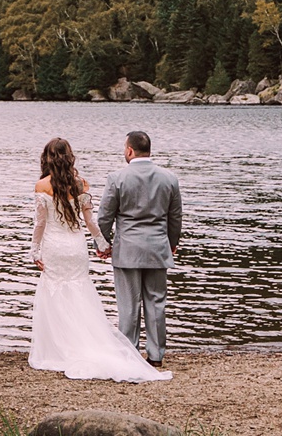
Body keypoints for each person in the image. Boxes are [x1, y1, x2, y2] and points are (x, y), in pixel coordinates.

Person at [27, 137, 171, 382]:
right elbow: (91, 223)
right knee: (80, 292)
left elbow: (40, 224)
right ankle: (87, 343)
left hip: (54, 246)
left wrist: (34, 251)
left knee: (54, 294)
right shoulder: (81, 184)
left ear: (47, 158)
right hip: (76, 247)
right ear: (69, 157)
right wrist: (104, 245)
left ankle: (59, 347)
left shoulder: (41, 186)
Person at [97, 130, 182, 366]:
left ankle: (129, 354)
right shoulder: (169, 178)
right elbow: (175, 217)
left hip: (128, 251)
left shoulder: (117, 178)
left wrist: (102, 244)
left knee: (128, 305)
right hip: (157, 249)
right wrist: (172, 243)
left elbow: (105, 216)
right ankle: (156, 356)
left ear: (129, 150)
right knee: (156, 303)